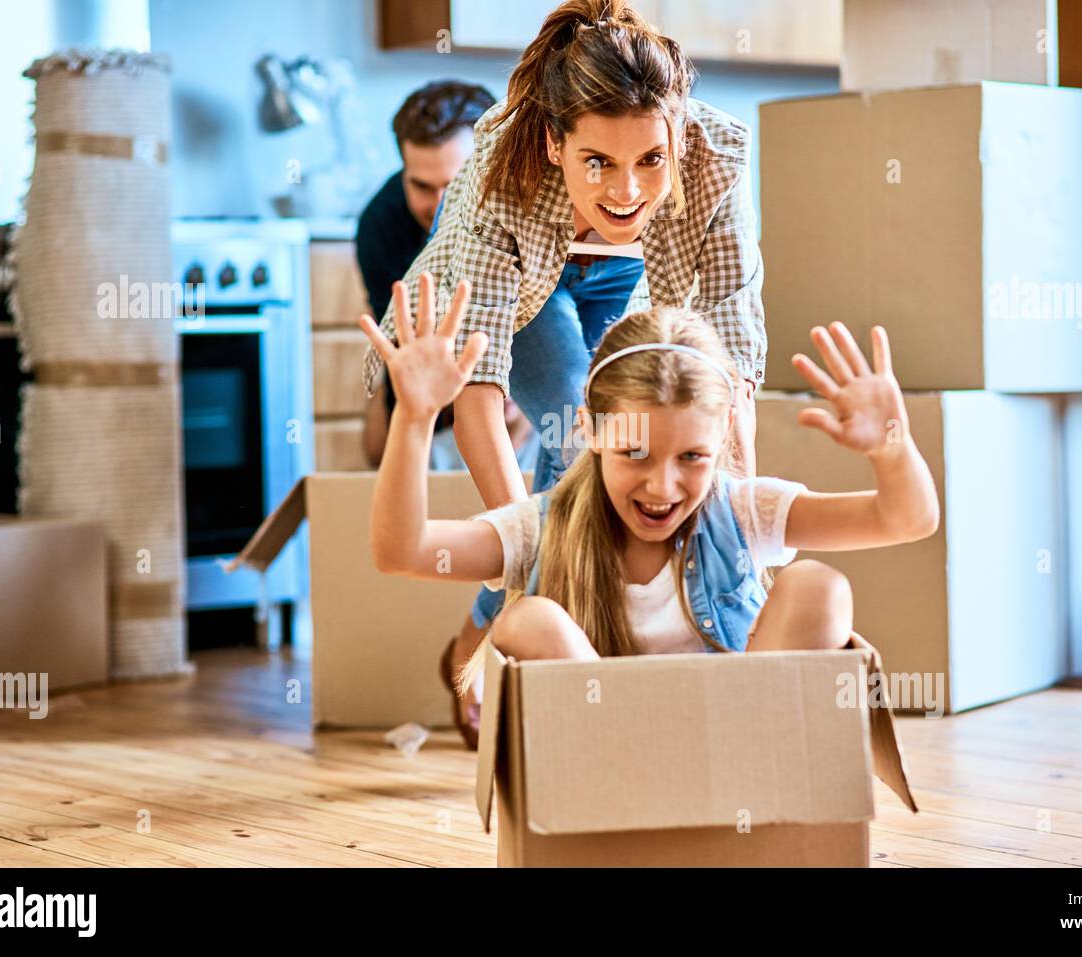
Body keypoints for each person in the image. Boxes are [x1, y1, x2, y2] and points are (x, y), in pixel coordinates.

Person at [360, 0, 770, 748]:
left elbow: (727, 368)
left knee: (630, 431)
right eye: (599, 163)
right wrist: (527, 565)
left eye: (651, 159)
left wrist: (735, 534)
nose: (627, 191)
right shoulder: (495, 167)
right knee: (580, 432)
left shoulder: (717, 161)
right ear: (555, 145)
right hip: (530, 286)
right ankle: (477, 643)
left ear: (677, 138)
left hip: (617, 274)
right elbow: (479, 394)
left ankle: (549, 633)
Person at [359, 277, 940, 692]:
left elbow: (906, 519)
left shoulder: (739, 511)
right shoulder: (541, 528)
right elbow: (401, 552)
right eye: (634, 452)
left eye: (692, 456)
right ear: (587, 428)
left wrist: (891, 444)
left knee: (817, 586)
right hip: (618, 766)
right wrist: (412, 420)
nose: (662, 486)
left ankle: (742, 753)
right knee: (525, 620)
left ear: (723, 440)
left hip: (741, 748)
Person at [354, 79, 498, 468]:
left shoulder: (521, 206)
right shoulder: (379, 223)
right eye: (422, 186)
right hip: (423, 349)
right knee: (378, 447)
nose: (439, 207)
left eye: (454, 186)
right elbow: (401, 342)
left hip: (506, 356)